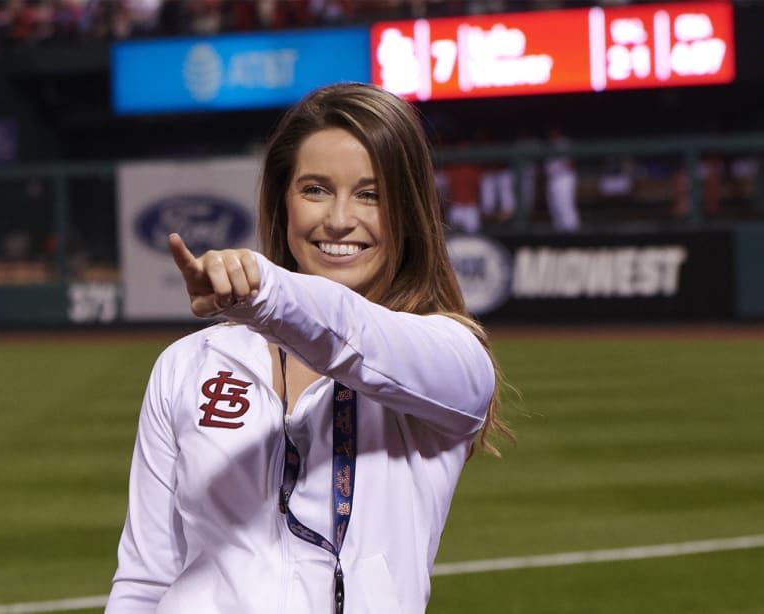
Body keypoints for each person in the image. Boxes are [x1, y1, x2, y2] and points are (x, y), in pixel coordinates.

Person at [106, 83, 509, 614]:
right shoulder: (188, 364)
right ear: (284, 200)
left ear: (410, 210)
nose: (339, 219)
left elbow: (354, 334)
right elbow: (144, 580)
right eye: (315, 189)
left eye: (371, 194)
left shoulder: (453, 359)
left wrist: (263, 289)